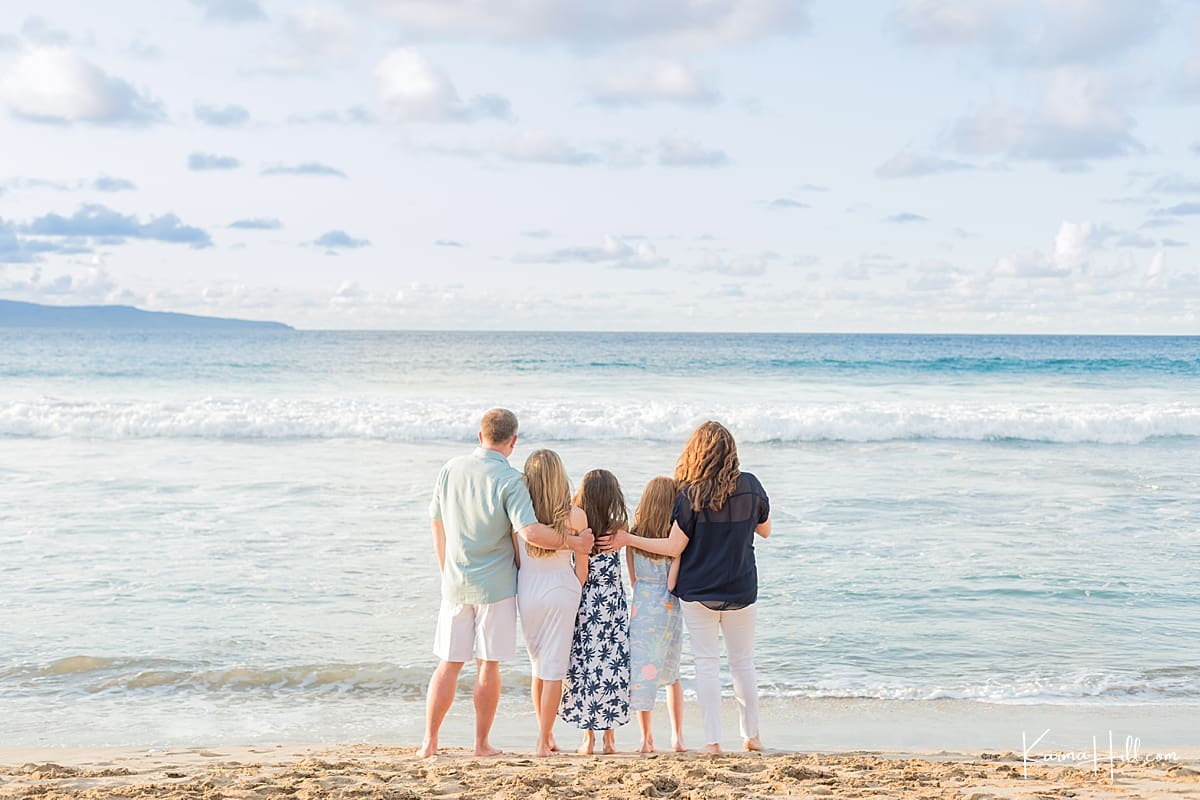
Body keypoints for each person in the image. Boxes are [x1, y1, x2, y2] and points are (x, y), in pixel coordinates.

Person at [419, 409, 593, 759]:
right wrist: (574, 543)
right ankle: (481, 743)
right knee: (488, 665)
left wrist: (445, 569)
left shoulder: (449, 469)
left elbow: (436, 523)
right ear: (513, 441)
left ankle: (429, 741)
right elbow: (530, 532)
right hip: (495, 587)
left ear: (479, 434)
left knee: (448, 664)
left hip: (455, 582)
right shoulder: (510, 480)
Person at [603, 421, 771, 754]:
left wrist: (627, 539)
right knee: (742, 663)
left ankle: (712, 742)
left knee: (706, 663)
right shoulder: (751, 485)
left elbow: (674, 547)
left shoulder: (691, 495)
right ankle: (751, 736)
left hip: (699, 592)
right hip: (740, 588)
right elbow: (765, 530)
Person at [512, 449, 588, 757]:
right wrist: (574, 588)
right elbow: (581, 565)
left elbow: (518, 560)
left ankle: (546, 734)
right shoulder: (575, 516)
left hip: (528, 591)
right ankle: (543, 741)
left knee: (538, 666)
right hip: (562, 590)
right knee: (554, 669)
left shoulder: (518, 518)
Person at [560, 469, 631, 754]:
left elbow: (583, 571)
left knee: (586, 666)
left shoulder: (580, 527)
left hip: (587, 601)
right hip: (613, 602)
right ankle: (609, 738)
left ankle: (587, 738)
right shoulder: (619, 526)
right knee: (612, 665)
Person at [626, 476, 685, 753]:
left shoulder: (633, 537)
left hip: (642, 608)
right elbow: (673, 583)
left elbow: (633, 580)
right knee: (672, 675)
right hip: (669, 608)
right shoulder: (675, 539)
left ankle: (646, 738)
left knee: (643, 673)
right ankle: (677, 737)